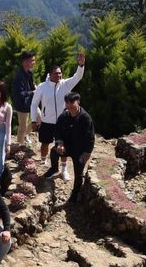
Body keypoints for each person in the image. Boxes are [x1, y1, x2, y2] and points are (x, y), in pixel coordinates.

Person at [30, 51, 86, 181]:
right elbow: (34, 104)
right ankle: (43, 160)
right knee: (45, 143)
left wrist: (81, 65)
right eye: (56, 73)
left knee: (63, 146)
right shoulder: (42, 87)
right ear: (49, 75)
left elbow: (77, 77)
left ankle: (64, 169)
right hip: (46, 121)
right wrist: (33, 120)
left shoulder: (66, 84)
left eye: (60, 73)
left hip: (63, 122)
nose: (59, 75)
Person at [43, 92, 95, 204]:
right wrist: (60, 143)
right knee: (54, 151)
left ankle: (75, 194)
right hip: (66, 146)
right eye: (67, 103)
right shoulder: (64, 116)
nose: (69, 105)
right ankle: (54, 168)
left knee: (78, 173)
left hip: (80, 150)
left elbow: (90, 138)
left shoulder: (85, 118)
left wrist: (86, 153)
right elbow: (57, 131)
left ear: (78, 102)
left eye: (72, 102)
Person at [12, 51, 37, 145]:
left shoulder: (29, 72)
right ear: (24, 62)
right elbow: (20, 93)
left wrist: (34, 87)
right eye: (32, 60)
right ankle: (19, 146)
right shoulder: (19, 76)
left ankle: (24, 135)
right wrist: (32, 92)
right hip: (22, 104)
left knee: (39, 118)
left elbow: (30, 86)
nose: (34, 62)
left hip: (31, 102)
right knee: (22, 126)